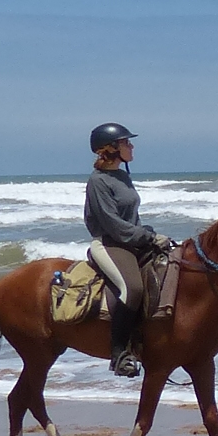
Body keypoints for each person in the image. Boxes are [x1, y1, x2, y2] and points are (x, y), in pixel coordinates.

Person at [84, 122, 166, 377]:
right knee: (133, 289)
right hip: (109, 243)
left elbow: (131, 218)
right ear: (110, 149)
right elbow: (113, 224)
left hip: (131, 241)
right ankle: (119, 354)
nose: (131, 147)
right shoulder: (98, 182)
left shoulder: (122, 176)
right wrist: (147, 236)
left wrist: (147, 236)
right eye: (126, 143)